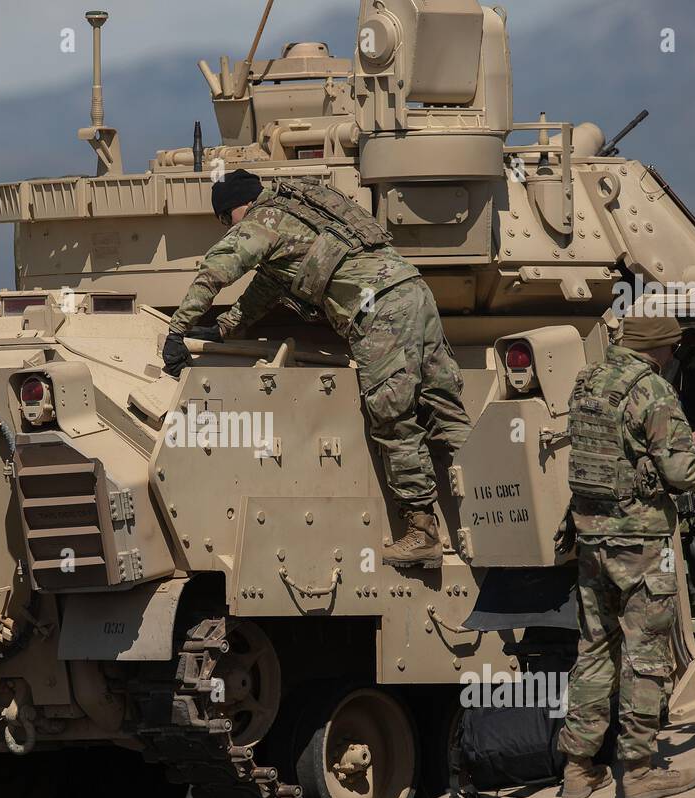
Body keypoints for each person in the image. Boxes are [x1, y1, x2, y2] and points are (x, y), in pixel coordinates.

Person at [160, 170, 473, 565]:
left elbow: (216, 270)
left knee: (392, 416)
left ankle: (422, 533)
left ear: (239, 205)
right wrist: (224, 328)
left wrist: (178, 329)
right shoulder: (298, 213)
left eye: (226, 218)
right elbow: (266, 289)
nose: (228, 227)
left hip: (379, 309)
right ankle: (497, 505)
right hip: (413, 292)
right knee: (443, 409)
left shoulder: (262, 220)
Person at [557, 312, 695, 798]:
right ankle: (638, 774)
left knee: (593, 652)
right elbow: (680, 471)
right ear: (662, 348)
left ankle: (577, 769)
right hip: (640, 545)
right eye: (675, 347)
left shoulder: (589, 382)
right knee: (645, 657)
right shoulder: (653, 390)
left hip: (592, 539)